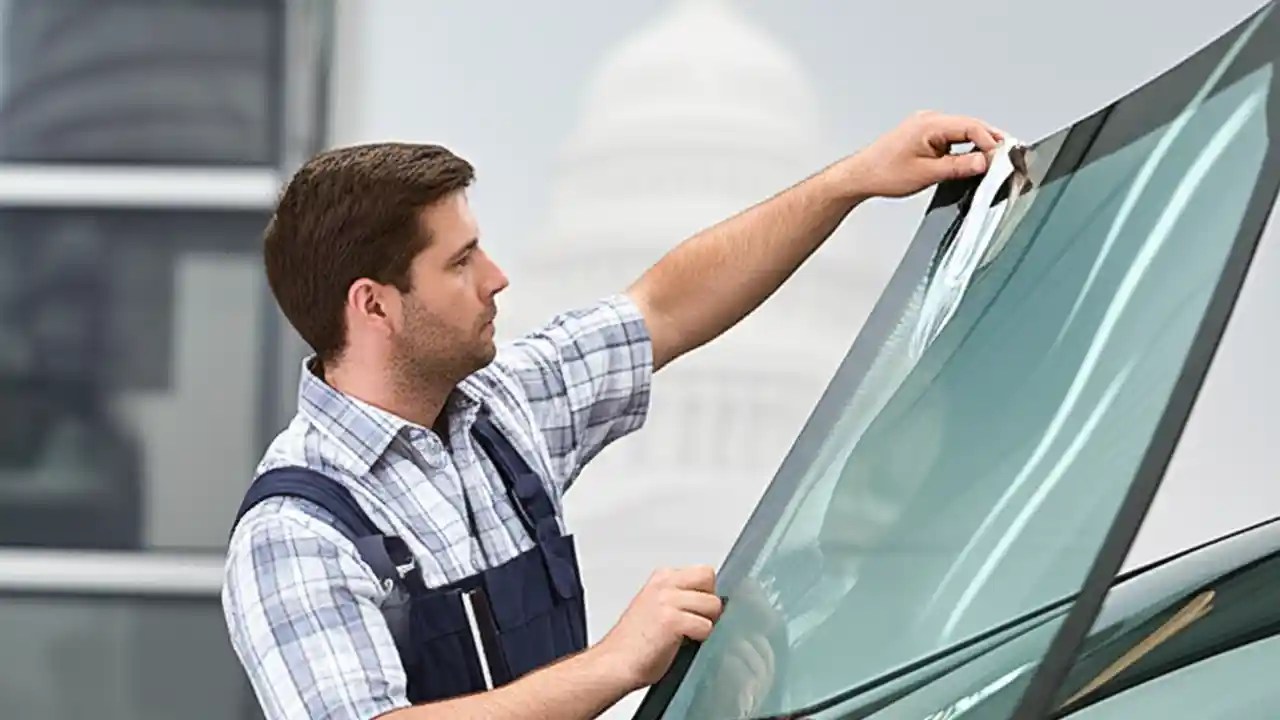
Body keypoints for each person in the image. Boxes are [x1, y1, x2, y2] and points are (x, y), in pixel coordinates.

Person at [221, 110, 1004, 720]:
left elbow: (666, 305)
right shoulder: (292, 532)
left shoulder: (504, 414)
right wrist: (620, 662)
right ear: (374, 305)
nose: (497, 278)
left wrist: (854, 180)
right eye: (460, 262)